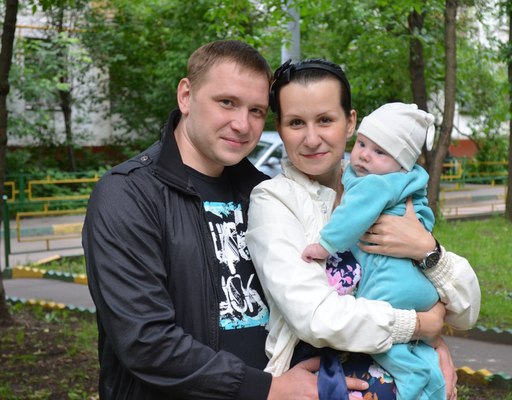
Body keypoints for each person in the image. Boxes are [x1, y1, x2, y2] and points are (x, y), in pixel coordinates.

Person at [82, 40, 370, 400]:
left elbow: (327, 294)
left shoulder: (267, 194)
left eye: (256, 110)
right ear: (186, 96)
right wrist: (268, 389)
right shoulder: (129, 195)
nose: (242, 124)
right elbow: (145, 342)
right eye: (227, 102)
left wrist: (422, 330)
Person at [246, 59, 481, 400]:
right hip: (324, 384)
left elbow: (466, 311)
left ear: (350, 122)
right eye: (296, 122)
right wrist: (419, 326)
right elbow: (317, 317)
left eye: (325, 120)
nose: (312, 138)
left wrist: (426, 251)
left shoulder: (388, 184)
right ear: (279, 128)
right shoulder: (275, 200)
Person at [301, 102, 448, 399]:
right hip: (414, 281)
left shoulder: (377, 185)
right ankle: (434, 381)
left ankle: (414, 378)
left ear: (402, 164)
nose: (365, 155)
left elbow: (352, 217)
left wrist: (324, 245)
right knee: (410, 342)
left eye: (380, 152)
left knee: (379, 336)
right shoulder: (399, 181)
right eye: (362, 144)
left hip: (391, 282)